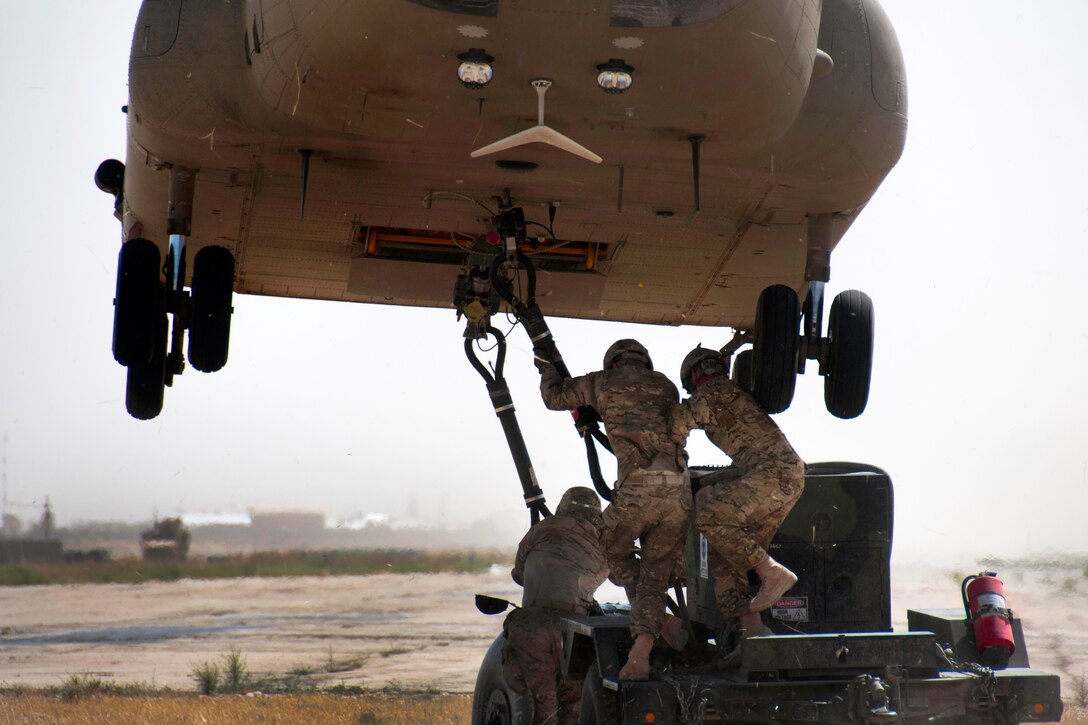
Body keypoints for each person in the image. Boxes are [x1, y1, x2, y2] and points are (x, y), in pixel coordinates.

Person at [536, 339, 691, 680]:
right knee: (655, 575)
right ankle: (646, 642)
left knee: (609, 548)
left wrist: (545, 366)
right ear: (645, 361)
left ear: (613, 362)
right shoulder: (666, 385)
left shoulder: (600, 381)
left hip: (637, 493)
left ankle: (655, 620)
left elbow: (555, 398)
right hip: (679, 494)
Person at [672, 346, 805, 636]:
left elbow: (675, 424)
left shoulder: (714, 391)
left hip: (772, 474)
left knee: (710, 518)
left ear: (695, 373)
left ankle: (772, 573)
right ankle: (751, 630)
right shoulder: (731, 392)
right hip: (783, 476)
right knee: (728, 552)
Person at [504, 486, 610, 725]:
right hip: (573, 630)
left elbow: (519, 573)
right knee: (573, 705)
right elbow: (611, 574)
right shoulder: (600, 543)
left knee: (542, 709)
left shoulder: (541, 530)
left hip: (533, 625)